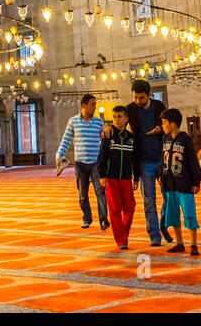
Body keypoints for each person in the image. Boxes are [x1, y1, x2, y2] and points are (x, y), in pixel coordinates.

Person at [102, 79, 170, 246]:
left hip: (162, 159)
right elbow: (119, 121)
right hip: (143, 161)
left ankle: (163, 224)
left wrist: (161, 129)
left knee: (169, 197)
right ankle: (154, 236)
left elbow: (170, 125)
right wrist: (108, 127)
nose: (138, 101)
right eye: (135, 97)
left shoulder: (160, 107)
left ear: (149, 95)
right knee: (149, 201)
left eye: (141, 98)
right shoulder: (131, 109)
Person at [56, 93, 108, 231]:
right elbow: (66, 140)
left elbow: (104, 141)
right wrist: (59, 155)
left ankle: (103, 220)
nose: (95, 108)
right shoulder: (73, 121)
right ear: (84, 106)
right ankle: (87, 219)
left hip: (96, 163)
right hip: (80, 164)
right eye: (92, 105)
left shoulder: (98, 122)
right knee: (82, 195)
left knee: (100, 192)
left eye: (95, 105)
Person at [159, 108, 201, 255]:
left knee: (189, 213)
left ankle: (194, 244)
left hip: (185, 184)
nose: (162, 126)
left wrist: (196, 182)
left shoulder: (185, 139)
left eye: (164, 123)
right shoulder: (166, 139)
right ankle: (179, 242)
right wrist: (160, 174)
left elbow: (193, 161)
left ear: (173, 124)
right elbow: (162, 158)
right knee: (173, 214)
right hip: (170, 183)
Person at [99, 104, 139, 250]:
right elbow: (102, 157)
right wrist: (102, 175)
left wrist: (137, 177)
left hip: (126, 178)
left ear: (126, 119)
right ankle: (121, 240)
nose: (116, 119)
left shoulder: (131, 138)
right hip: (111, 178)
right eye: (114, 117)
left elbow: (135, 159)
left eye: (120, 117)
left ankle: (124, 235)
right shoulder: (108, 135)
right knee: (115, 210)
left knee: (130, 208)